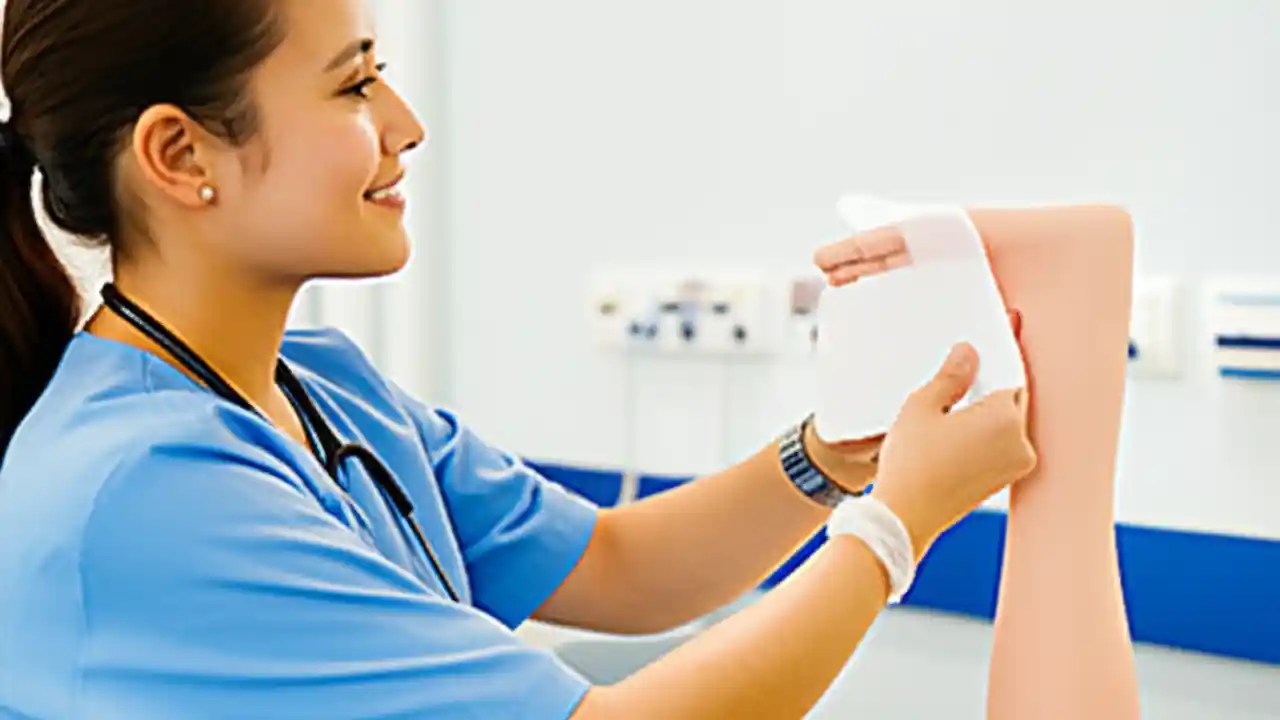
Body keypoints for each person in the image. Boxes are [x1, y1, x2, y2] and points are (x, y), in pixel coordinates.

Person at [0, 1, 1036, 718]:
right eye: (354, 87)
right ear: (181, 157)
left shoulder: (323, 390)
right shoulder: (142, 489)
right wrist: (891, 529)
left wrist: (837, 452)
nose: (405, 127)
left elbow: (622, 568)